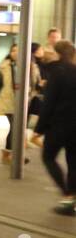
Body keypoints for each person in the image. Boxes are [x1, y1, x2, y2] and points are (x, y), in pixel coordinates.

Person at [37, 40, 76, 215]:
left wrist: (38, 130)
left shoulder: (56, 73)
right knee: (73, 162)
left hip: (59, 125)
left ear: (58, 53)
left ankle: (67, 194)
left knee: (48, 156)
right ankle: (71, 199)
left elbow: (49, 104)